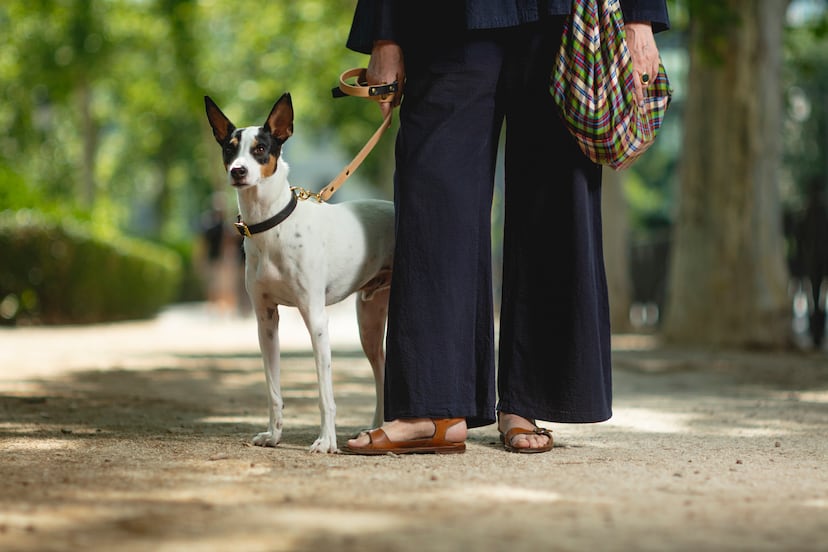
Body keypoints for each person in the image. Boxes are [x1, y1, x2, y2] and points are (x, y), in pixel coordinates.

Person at [343, 1, 670, 454]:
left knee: (553, 205)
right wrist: (385, 34)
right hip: (444, 17)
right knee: (433, 200)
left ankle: (527, 400)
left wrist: (639, 17)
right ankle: (431, 408)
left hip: (564, 18)